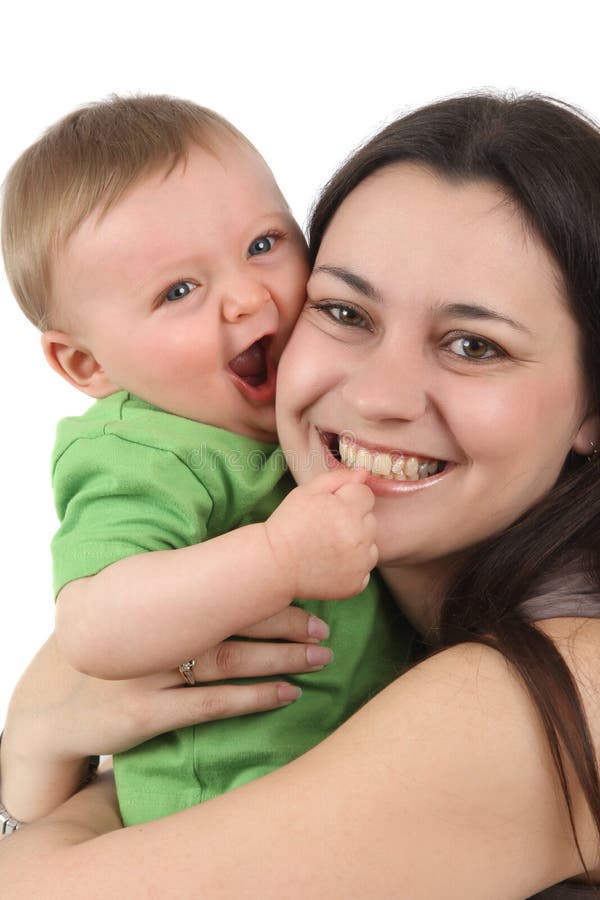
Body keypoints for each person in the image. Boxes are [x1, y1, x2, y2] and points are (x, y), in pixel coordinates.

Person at [2, 90, 600, 898]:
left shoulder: (562, 685)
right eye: (345, 310)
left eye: (473, 344)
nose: (381, 396)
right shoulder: (263, 569)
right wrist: (39, 746)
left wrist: (34, 767)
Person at [0, 95, 412, 825]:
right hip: (221, 804)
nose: (247, 297)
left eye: (263, 245)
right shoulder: (144, 450)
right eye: (180, 291)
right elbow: (94, 624)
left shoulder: (322, 404)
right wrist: (279, 558)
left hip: (354, 776)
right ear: (87, 363)